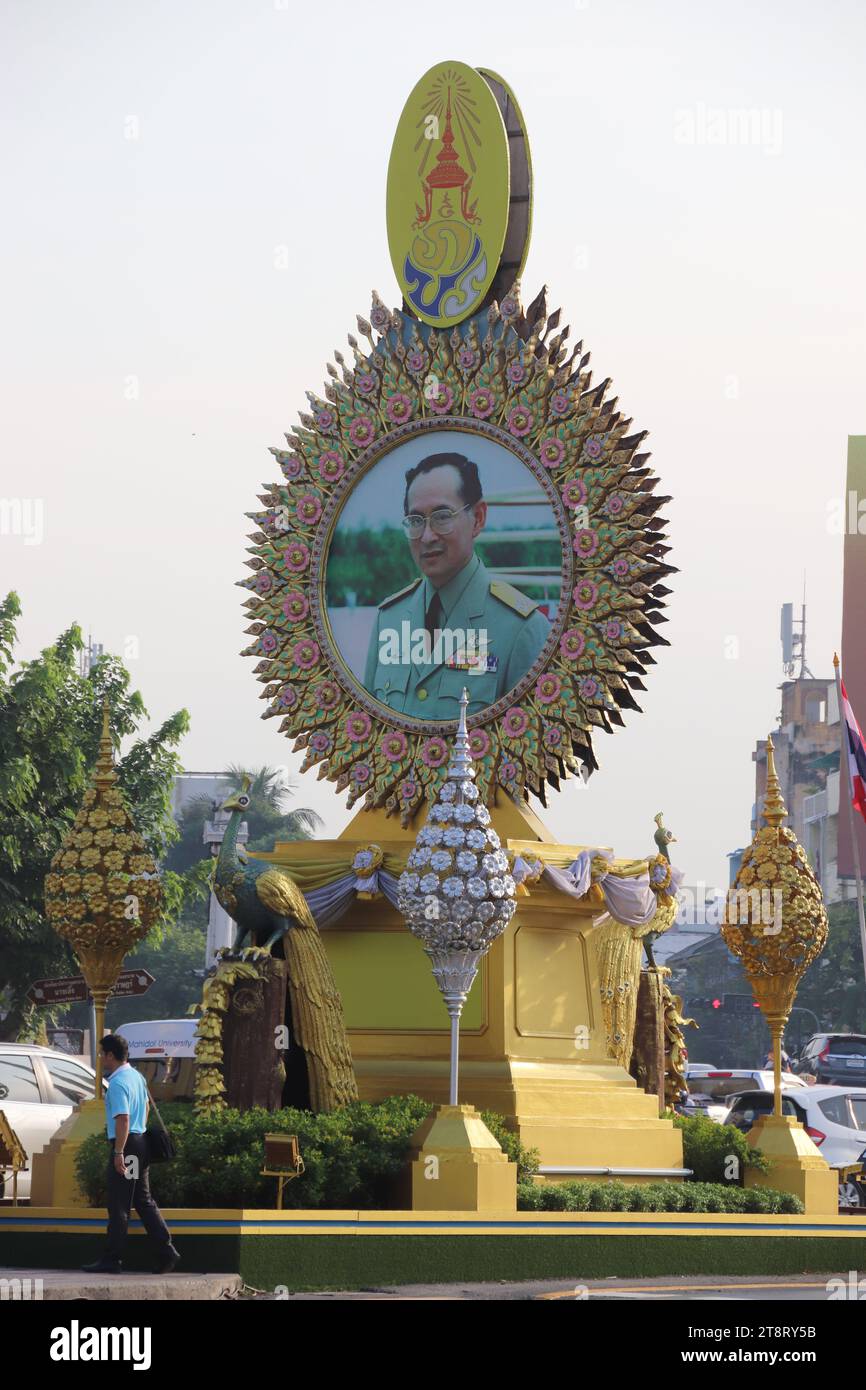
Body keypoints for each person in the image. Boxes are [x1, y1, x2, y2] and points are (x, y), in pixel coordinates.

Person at [363, 452, 551, 718]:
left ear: (478, 518)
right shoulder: (389, 620)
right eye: (416, 521)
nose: (427, 537)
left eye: (442, 517)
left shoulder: (523, 628)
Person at [81, 1034, 180, 1276]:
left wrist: (119, 1152)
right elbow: (145, 1107)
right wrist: (138, 1132)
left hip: (127, 1145)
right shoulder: (136, 1076)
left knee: (119, 1203)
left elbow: (123, 1119)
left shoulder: (116, 1083)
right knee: (142, 1200)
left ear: (111, 1055)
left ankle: (112, 1259)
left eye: (102, 1053)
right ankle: (166, 1252)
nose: (101, 1058)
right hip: (140, 1142)